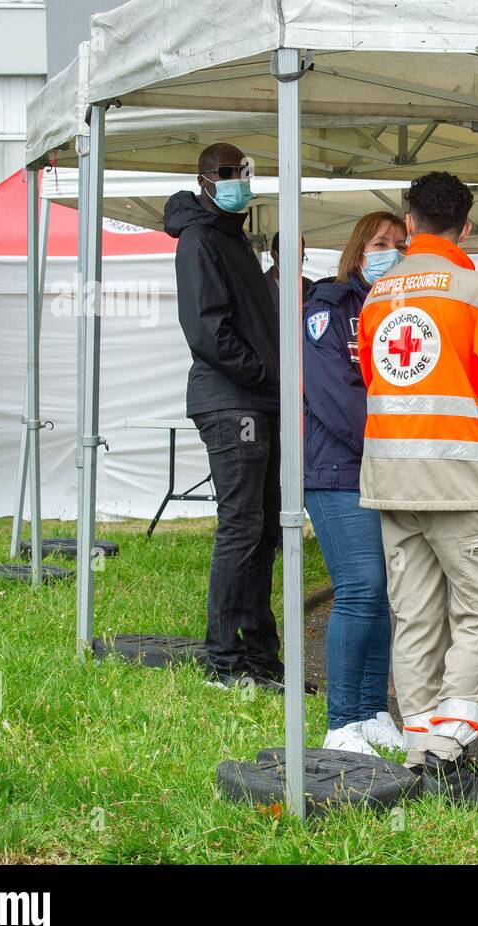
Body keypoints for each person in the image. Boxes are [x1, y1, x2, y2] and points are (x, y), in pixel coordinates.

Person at [356, 171, 478, 807]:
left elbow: (379, 382)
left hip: (388, 478)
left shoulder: (379, 295)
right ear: (466, 228)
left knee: (416, 618)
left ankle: (419, 749)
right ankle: (449, 752)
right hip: (455, 478)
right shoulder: (476, 290)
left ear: (408, 224)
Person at [164, 143, 283, 690]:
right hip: (231, 400)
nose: (241, 181)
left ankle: (258, 657)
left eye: (247, 171)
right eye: (231, 173)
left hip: (256, 399)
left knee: (261, 529)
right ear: (207, 179)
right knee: (243, 526)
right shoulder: (200, 240)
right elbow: (208, 331)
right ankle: (223, 661)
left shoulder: (234, 240)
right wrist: (262, 373)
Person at [303, 211, 408, 755]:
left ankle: (372, 712)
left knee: (384, 594)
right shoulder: (329, 306)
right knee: (360, 586)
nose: (389, 250)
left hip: (386, 468)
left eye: (398, 242)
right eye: (379, 242)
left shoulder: (400, 307)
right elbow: (334, 398)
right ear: (357, 247)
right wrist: (390, 447)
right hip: (338, 469)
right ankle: (341, 722)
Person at [265, 232, 313, 307]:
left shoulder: (310, 288)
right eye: (290, 257)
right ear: (274, 255)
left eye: (301, 257)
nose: (296, 262)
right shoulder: (258, 287)